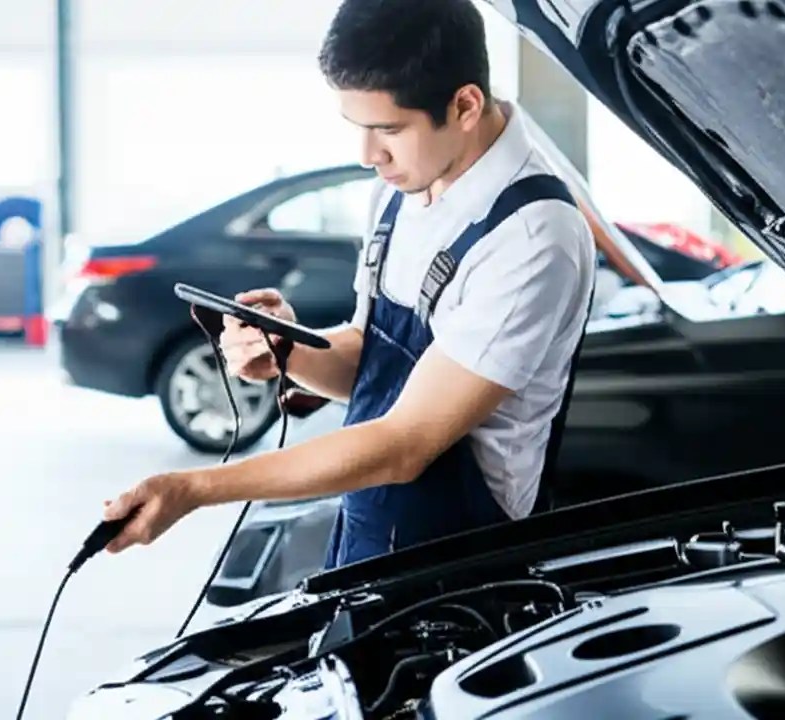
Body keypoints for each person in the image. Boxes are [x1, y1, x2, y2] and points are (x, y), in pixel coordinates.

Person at [100, 0, 595, 567]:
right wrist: (287, 349)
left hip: (460, 560)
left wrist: (195, 489)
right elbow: (374, 359)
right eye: (358, 127)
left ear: (465, 105)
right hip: (371, 519)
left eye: (388, 129)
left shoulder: (531, 236)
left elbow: (406, 444)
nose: (367, 156)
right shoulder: (398, 190)